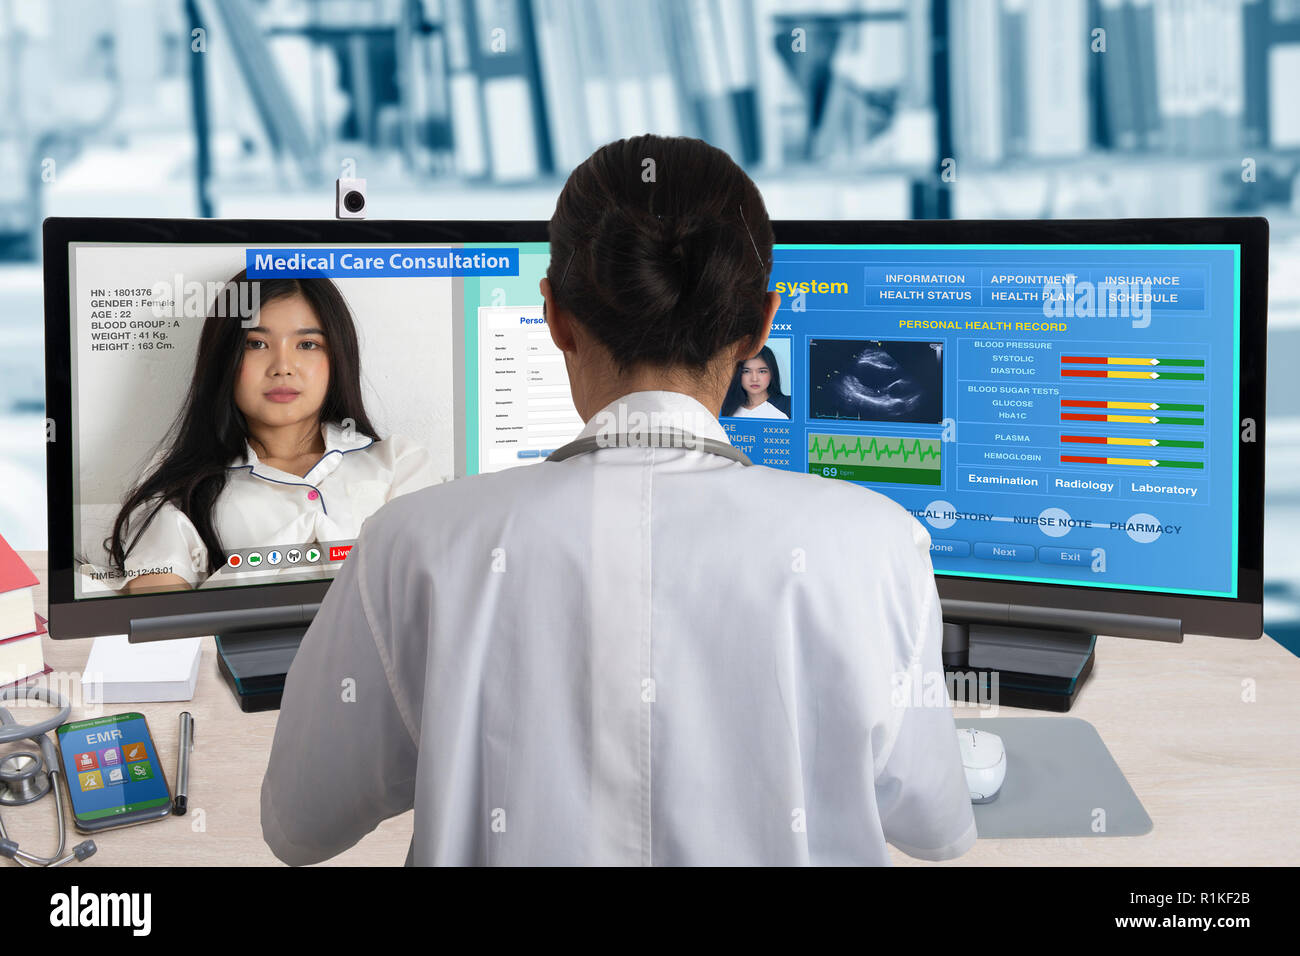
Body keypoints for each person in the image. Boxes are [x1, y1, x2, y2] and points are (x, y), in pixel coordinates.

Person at [260, 135, 976, 866]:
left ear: (556, 317)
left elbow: (300, 826)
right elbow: (932, 826)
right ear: (761, 324)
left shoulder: (410, 545)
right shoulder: (879, 545)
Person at [106, 272, 440, 594]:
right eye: (256, 343)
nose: (282, 365)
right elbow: (162, 620)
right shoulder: (178, 485)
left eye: (307, 344)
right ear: (225, 358)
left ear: (338, 358)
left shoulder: (398, 464)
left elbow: (434, 588)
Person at [721, 344, 790, 418]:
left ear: (772, 373)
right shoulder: (725, 407)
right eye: (746, 371)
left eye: (762, 371)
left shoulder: (790, 405)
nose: (754, 379)